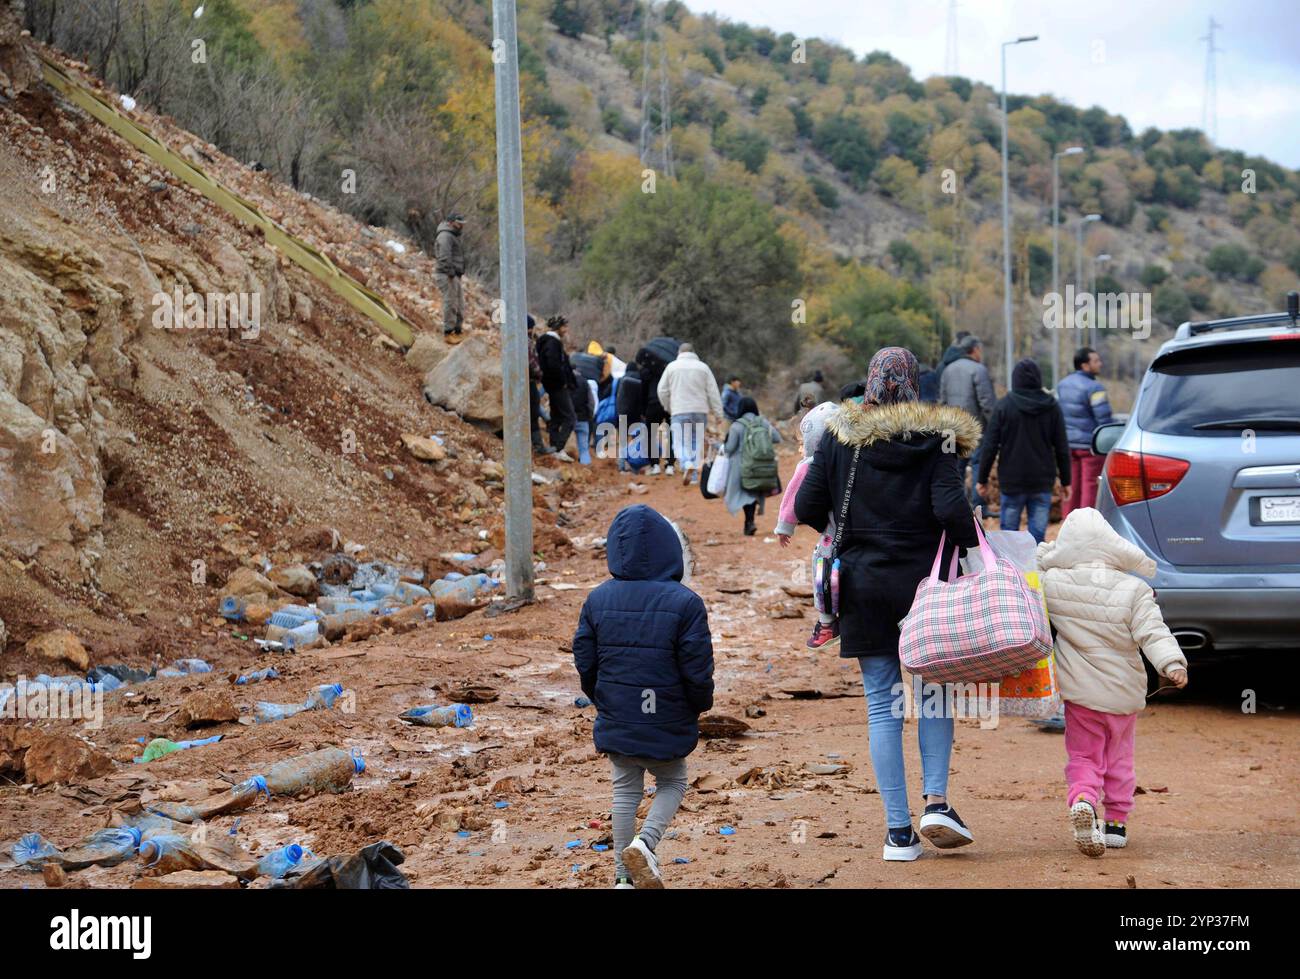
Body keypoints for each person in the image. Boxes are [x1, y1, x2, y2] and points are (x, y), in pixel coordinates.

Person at [794, 347, 981, 862]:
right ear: (914, 384)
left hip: (862, 583)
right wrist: (974, 547)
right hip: (925, 587)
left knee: (882, 704)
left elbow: (808, 505)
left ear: (872, 383)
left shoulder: (840, 434)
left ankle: (898, 833)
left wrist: (852, 534)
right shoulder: (937, 435)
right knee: (934, 693)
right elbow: (950, 507)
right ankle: (937, 803)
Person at [572, 504, 715, 889]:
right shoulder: (686, 602)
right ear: (670, 549)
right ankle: (645, 843)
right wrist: (699, 703)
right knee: (672, 782)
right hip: (667, 714)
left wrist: (602, 698)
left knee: (625, 787)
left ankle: (622, 878)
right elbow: (697, 668)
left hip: (618, 712)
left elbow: (584, 660)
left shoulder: (597, 599)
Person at [1035, 508, 1188, 857]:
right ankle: (1116, 823)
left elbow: (1032, 574)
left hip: (1080, 695)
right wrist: (1171, 662)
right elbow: (1153, 632)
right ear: (1112, 545)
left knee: (1084, 755)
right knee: (1120, 759)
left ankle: (1085, 799)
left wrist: (1046, 556)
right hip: (1123, 695)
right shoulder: (1134, 589)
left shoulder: (1053, 584)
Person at [975, 358, 1071, 544]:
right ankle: (1032, 574)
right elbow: (1062, 447)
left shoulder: (1004, 406)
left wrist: (982, 478)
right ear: (1039, 379)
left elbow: (990, 445)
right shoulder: (1051, 406)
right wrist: (1066, 481)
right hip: (1042, 480)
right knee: (1037, 538)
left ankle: (1012, 572)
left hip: (1012, 480)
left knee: (1008, 537)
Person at [775, 402, 840, 648]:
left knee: (821, 572)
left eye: (803, 442)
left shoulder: (809, 465)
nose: (801, 449)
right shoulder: (853, 458)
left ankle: (826, 623)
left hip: (830, 535)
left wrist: (784, 526)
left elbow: (792, 498)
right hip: (857, 535)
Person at [939, 334, 995, 510]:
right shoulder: (978, 370)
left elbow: (941, 401)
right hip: (975, 428)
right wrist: (994, 426)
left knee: (955, 468)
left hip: (951, 428)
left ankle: (957, 506)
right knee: (978, 464)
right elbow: (987, 403)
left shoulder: (947, 370)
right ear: (975, 349)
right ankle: (979, 507)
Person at [1057, 346, 1114, 518]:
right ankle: (1085, 523)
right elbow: (1103, 419)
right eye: (1096, 361)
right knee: (1090, 485)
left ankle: (1068, 522)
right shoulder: (1095, 388)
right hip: (1090, 446)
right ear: (1084, 365)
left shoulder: (1062, 385)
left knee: (1071, 485)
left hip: (1068, 445)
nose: (1100, 364)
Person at [657, 343, 725, 485]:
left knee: (680, 442)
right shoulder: (703, 367)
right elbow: (713, 392)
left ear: (679, 353)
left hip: (680, 410)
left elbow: (662, 390)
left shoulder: (671, 367)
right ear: (694, 352)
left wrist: (668, 406)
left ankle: (687, 463)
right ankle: (693, 477)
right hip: (700, 411)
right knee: (696, 443)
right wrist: (719, 413)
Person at [723, 396, 782, 536]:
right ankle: (750, 522)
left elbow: (729, 448)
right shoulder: (763, 422)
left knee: (745, 493)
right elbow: (777, 438)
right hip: (761, 464)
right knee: (754, 492)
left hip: (741, 465)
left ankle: (749, 522)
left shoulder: (737, 425)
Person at [536, 315, 577, 461]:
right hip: (557, 386)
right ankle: (558, 448)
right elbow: (553, 365)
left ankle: (554, 447)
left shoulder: (548, 341)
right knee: (570, 418)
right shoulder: (552, 343)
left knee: (556, 417)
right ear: (558, 327)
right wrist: (562, 381)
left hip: (552, 385)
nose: (566, 330)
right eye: (564, 326)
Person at [433, 213, 466, 337]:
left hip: (453, 275)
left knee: (460, 304)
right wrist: (451, 272)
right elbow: (444, 256)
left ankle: (457, 330)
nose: (461, 226)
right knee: (451, 302)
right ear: (451, 222)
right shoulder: (445, 236)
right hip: (447, 274)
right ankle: (449, 332)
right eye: (459, 223)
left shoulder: (452, 235)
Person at [526, 316, 553, 456]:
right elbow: (532, 363)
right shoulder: (527, 342)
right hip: (529, 382)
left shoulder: (514, 340)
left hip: (521, 382)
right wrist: (540, 374)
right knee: (533, 414)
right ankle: (538, 447)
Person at [570, 350, 597, 466]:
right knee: (584, 448)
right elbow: (591, 402)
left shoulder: (565, 382)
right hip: (583, 419)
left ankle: (572, 469)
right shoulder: (585, 382)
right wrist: (590, 416)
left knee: (563, 447)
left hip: (568, 419)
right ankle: (586, 467)